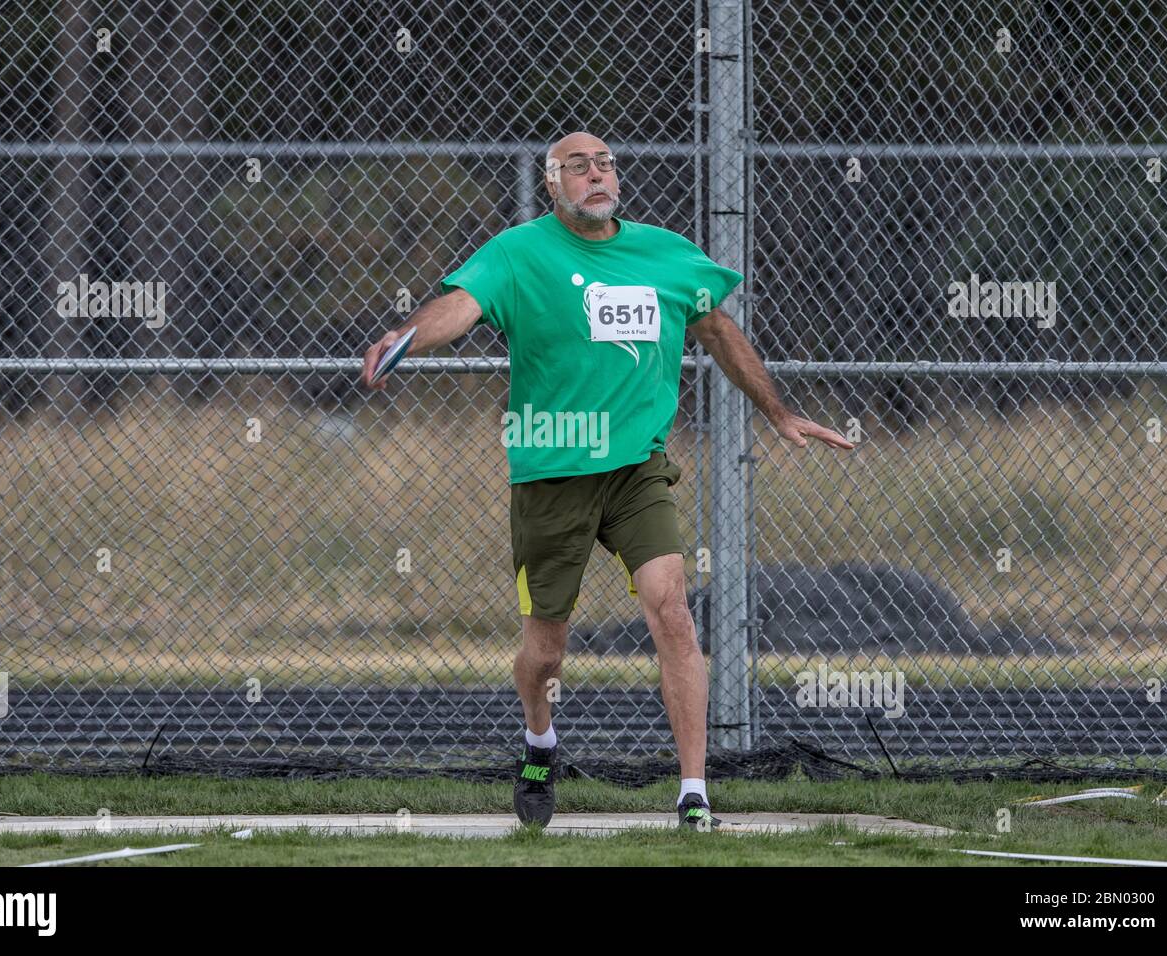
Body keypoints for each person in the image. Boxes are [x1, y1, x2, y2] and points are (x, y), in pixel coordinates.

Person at [362, 131, 853, 830]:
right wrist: (406, 336)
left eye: (605, 165)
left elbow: (717, 329)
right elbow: (459, 308)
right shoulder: (518, 252)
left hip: (636, 468)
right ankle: (539, 740)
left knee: (674, 611)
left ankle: (693, 794)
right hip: (552, 468)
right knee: (546, 651)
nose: (596, 176)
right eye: (578, 167)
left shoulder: (664, 254)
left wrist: (779, 413)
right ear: (553, 183)